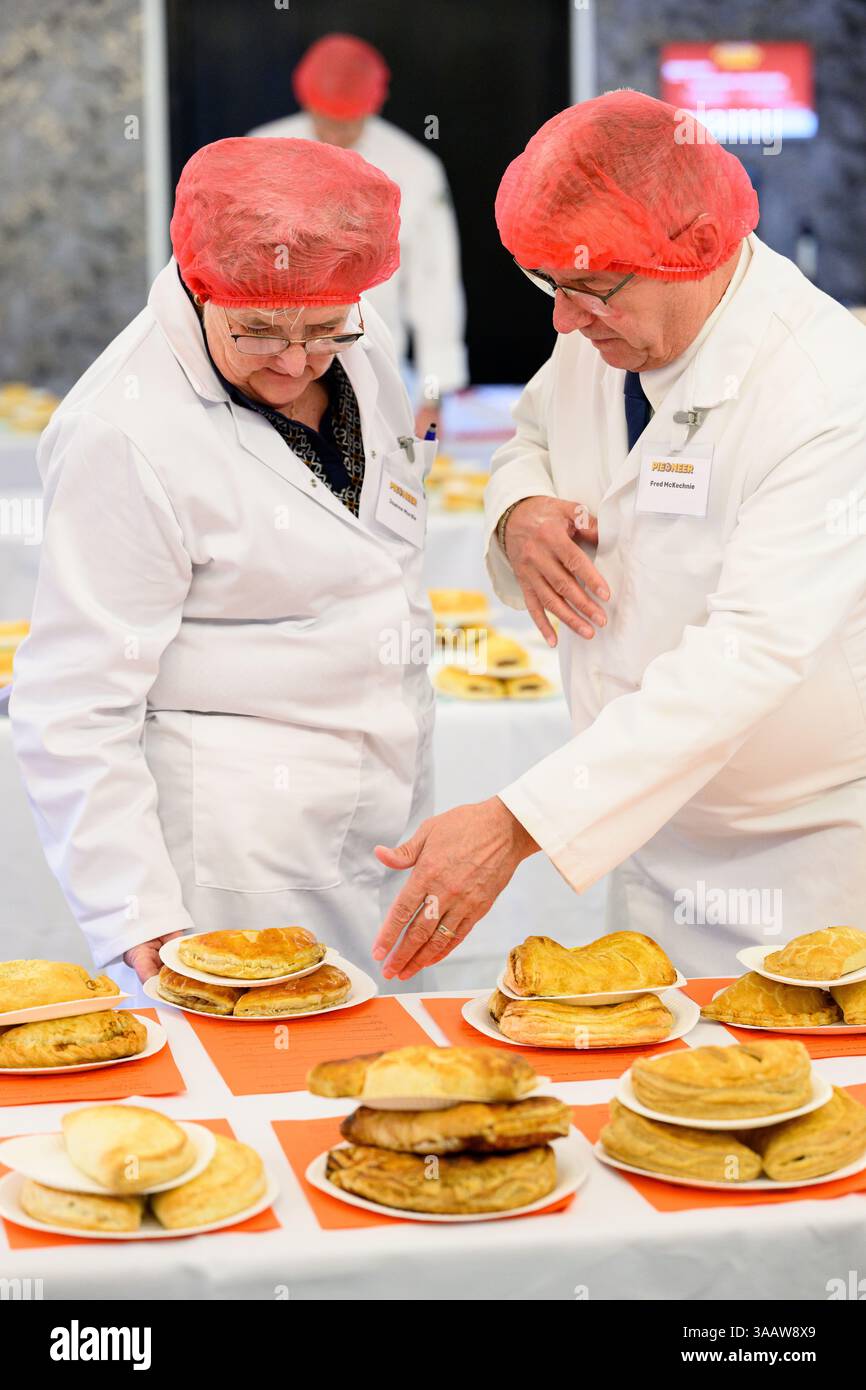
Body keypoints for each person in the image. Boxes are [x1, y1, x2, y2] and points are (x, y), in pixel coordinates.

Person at [371, 90, 866, 982]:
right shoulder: (604, 325)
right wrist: (519, 511)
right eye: (548, 286)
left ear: (693, 251)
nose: (561, 319)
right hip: (648, 828)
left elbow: (750, 652)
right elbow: (531, 440)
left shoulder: (826, 391)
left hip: (801, 855)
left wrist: (518, 823)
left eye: (587, 290)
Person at [11, 137, 435, 988]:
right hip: (237, 847)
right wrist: (137, 914)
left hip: (387, 804)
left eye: (323, 331)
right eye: (257, 332)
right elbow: (72, 702)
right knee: (255, 1098)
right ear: (196, 284)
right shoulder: (123, 431)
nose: (294, 360)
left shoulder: (346, 323)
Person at [248, 32, 468, 437]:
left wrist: (432, 394)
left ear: (374, 104)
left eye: (346, 122)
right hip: (270, 364)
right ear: (305, 100)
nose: (334, 135)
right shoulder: (259, 153)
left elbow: (434, 283)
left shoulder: (415, 168)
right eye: (325, 120)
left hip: (374, 364)